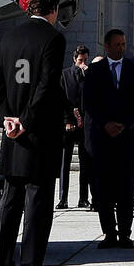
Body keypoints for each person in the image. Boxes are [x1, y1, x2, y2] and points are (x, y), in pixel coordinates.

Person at [0, 0, 65, 266]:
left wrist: (5, 118)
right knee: (37, 208)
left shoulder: (7, 37)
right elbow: (47, 86)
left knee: (9, 204)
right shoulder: (53, 38)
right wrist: (26, 121)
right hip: (38, 135)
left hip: (11, 134)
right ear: (53, 10)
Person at [82, 28, 134, 249]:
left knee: (126, 187)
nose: (121, 48)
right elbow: (89, 101)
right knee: (104, 188)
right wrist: (105, 124)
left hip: (126, 137)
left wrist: (125, 123)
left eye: (123, 44)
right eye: (117, 44)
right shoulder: (95, 70)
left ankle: (125, 233)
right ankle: (109, 233)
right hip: (102, 138)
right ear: (107, 46)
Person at [57, 44, 91, 210]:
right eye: (80, 60)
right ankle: (63, 198)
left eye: (85, 60)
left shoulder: (89, 75)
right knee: (65, 162)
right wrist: (66, 121)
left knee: (85, 163)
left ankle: (83, 198)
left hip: (84, 125)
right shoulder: (65, 75)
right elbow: (61, 100)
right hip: (69, 124)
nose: (82, 63)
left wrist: (89, 76)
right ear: (74, 59)